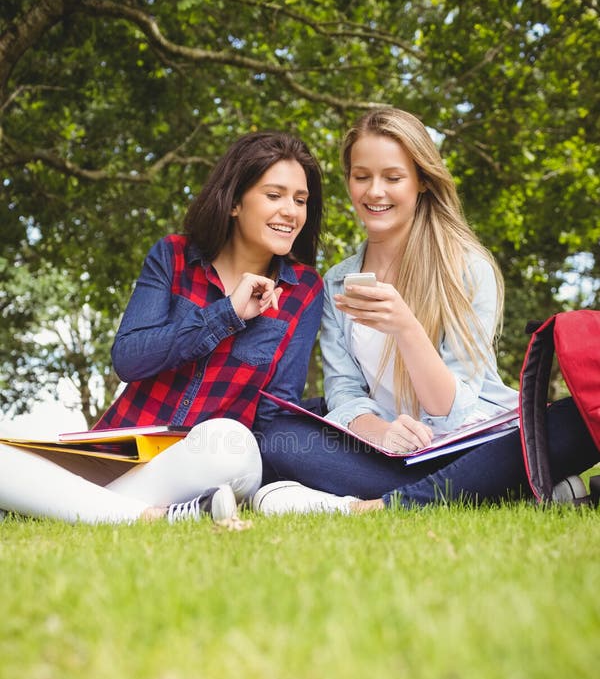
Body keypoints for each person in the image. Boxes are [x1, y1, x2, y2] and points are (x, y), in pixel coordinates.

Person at [253, 108, 599, 513]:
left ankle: (379, 506)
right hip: (391, 453)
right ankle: (499, 489)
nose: (374, 192)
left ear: (421, 182)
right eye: (361, 176)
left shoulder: (467, 268)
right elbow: (344, 390)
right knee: (277, 436)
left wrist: (406, 328)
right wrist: (380, 432)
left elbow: (452, 412)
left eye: (393, 178)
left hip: (476, 441)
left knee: (573, 423)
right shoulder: (336, 281)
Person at [0, 132, 324, 523]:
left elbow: (275, 412)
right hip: (121, 456)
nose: (291, 211)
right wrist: (228, 313)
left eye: (300, 200)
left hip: (204, 463)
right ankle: (152, 515)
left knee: (232, 445)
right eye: (275, 195)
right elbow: (129, 360)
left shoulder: (304, 289)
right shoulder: (172, 256)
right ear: (236, 201)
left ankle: (59, 505)